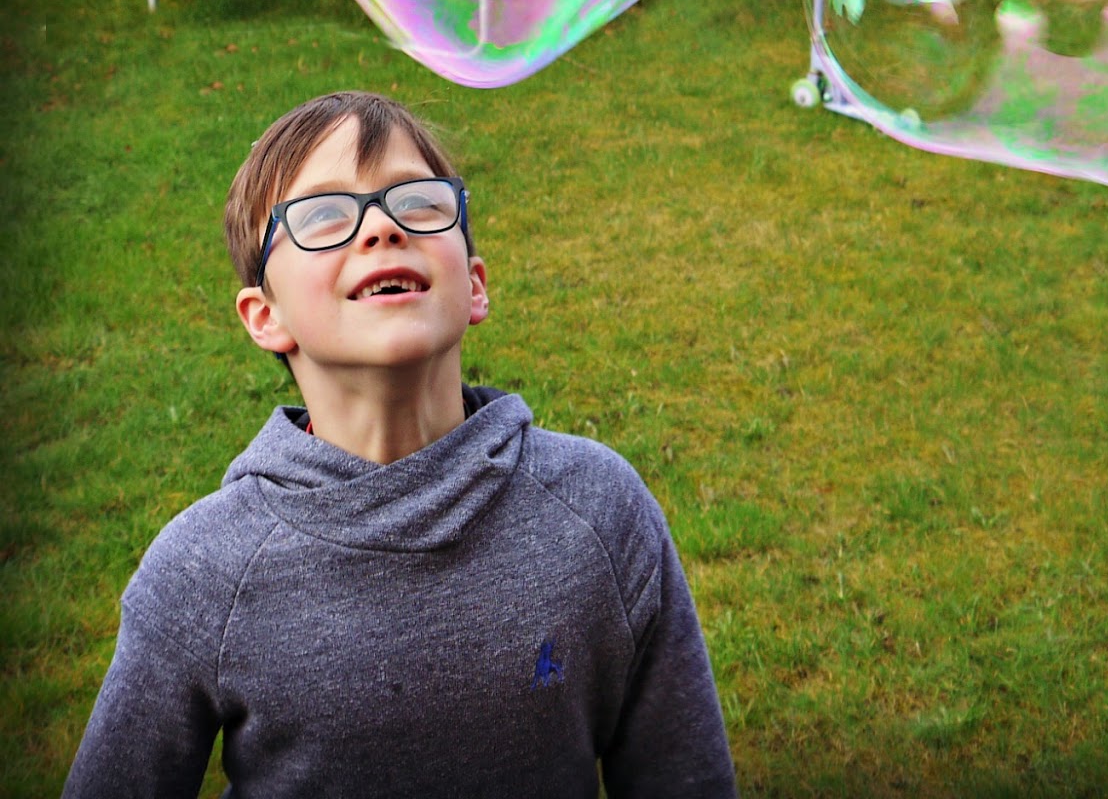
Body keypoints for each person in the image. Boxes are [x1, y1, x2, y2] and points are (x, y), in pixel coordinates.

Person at [64, 91, 736, 798]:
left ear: (474, 284)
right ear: (265, 315)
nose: (382, 226)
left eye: (417, 202)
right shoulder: (203, 572)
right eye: (323, 215)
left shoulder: (601, 509)